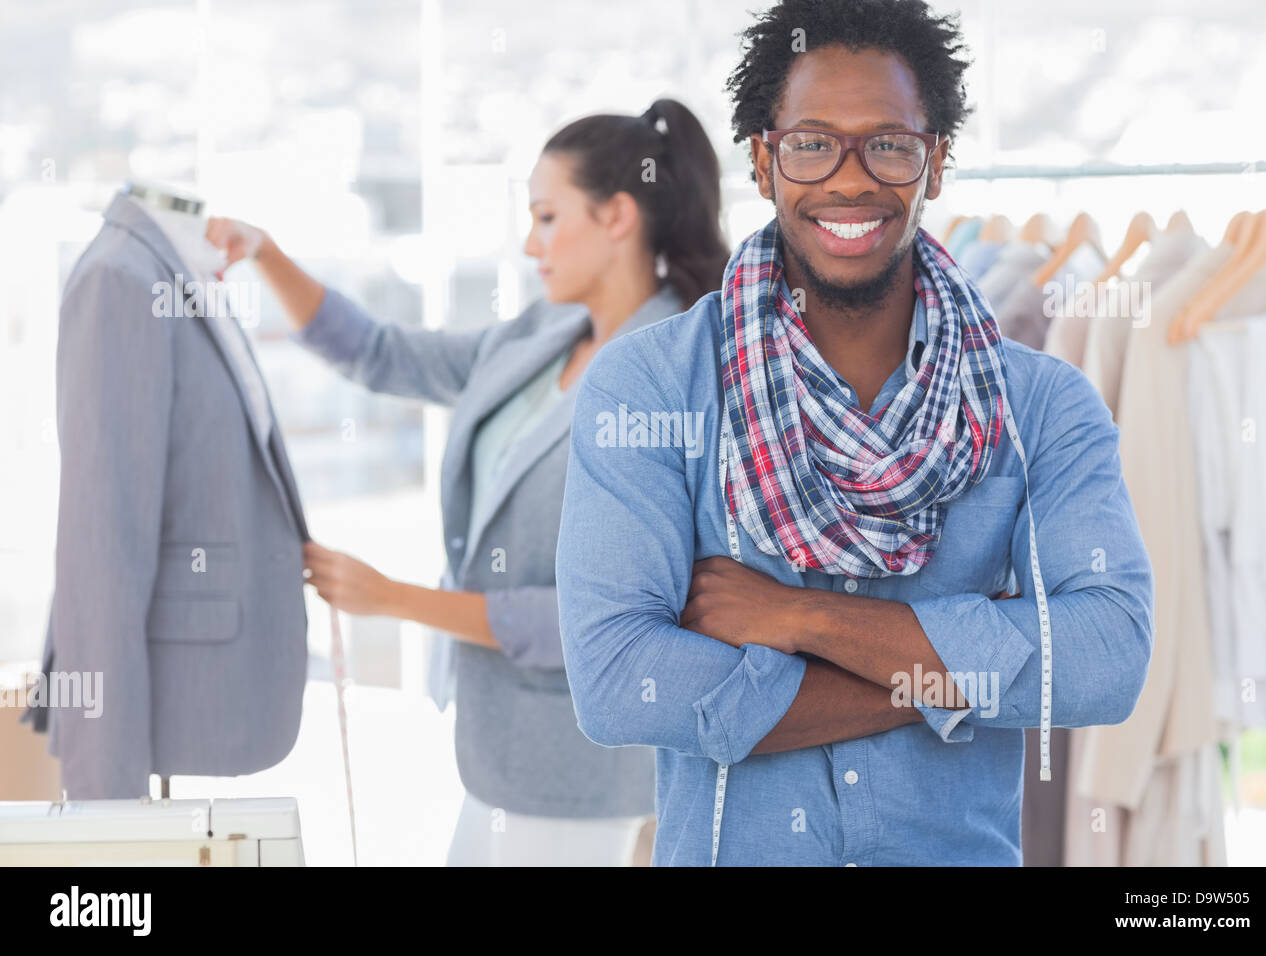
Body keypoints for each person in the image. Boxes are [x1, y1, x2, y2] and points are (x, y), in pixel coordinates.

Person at [555, 0, 1155, 866]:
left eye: (888, 143)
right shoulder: (651, 385)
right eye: (809, 142)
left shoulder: (1042, 409)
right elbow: (620, 684)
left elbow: (1107, 660)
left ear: (935, 162)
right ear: (762, 162)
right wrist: (952, 672)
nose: (848, 179)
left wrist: (800, 618)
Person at [206, 98, 730, 866]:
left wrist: (394, 601)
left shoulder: (678, 372)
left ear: (617, 216)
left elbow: (616, 617)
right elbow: (382, 352)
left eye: (547, 217)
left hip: (590, 776)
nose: (529, 243)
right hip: (503, 752)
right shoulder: (541, 337)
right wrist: (267, 253)